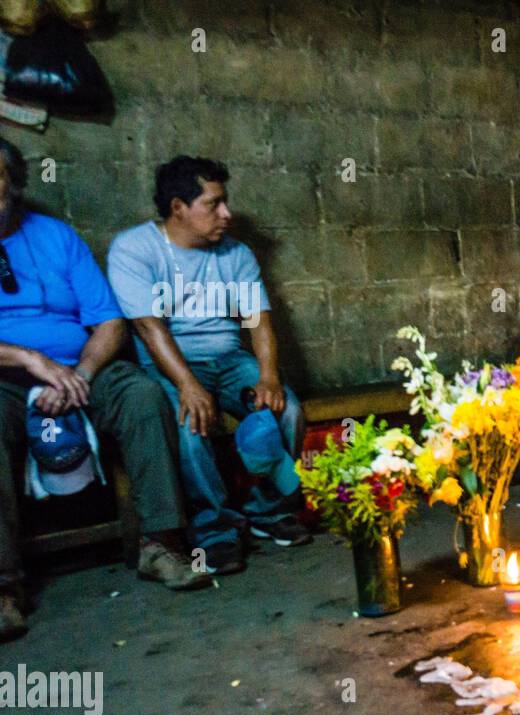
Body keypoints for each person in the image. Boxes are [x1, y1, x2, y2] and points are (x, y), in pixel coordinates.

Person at [0, 139, 211, 637]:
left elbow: (109, 321)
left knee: (142, 395)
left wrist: (83, 374)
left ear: (15, 185)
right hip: (6, 376)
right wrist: (30, 359)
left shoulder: (56, 236)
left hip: (81, 366)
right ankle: (5, 585)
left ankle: (161, 544)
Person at [108, 156, 311, 576]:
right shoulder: (135, 248)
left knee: (285, 408)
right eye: (214, 204)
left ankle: (268, 510)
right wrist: (187, 384)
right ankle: (215, 529)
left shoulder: (235, 254)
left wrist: (269, 376)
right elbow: (149, 328)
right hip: (170, 363)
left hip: (230, 359)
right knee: (189, 422)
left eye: (225, 202)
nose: (227, 214)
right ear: (179, 206)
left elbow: (258, 320)